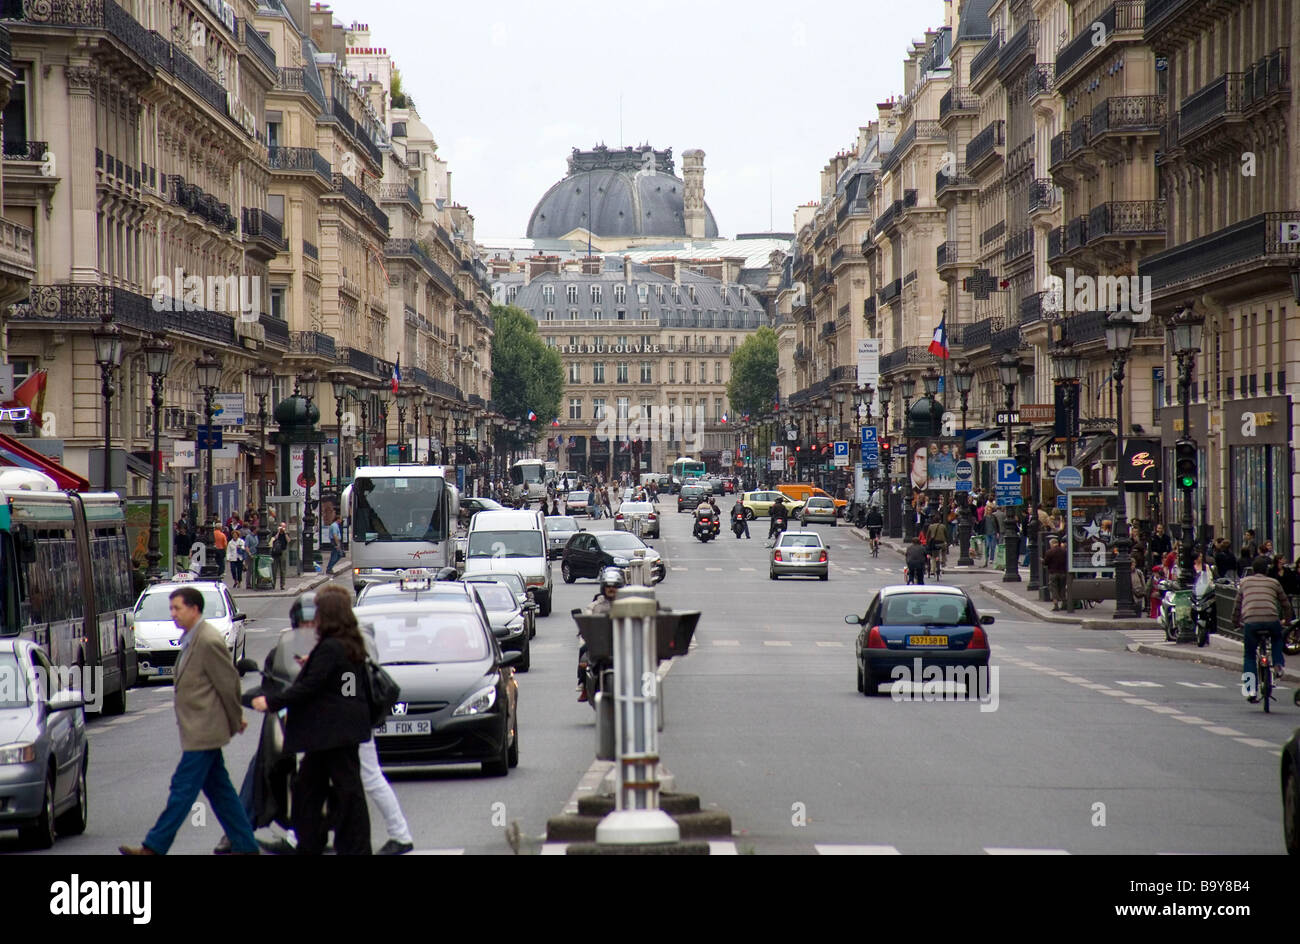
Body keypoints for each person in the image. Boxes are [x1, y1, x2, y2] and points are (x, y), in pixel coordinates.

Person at [120, 586, 258, 855]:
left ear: (195, 609)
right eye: (171, 608)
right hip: (197, 728)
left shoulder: (208, 640)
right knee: (222, 794)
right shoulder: (191, 638)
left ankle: (153, 847)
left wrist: (236, 717)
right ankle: (246, 846)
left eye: (177, 608)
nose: (173, 614)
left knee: (182, 790)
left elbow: (227, 682)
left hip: (204, 730)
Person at [250, 587, 373, 854]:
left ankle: (329, 844)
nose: (313, 618)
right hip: (339, 732)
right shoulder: (347, 642)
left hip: (330, 734)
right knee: (322, 789)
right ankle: (326, 842)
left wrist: (272, 701)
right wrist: (314, 663)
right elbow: (340, 682)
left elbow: (309, 687)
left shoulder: (330, 647)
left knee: (328, 791)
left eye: (318, 612)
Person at [1231, 556, 1292, 702]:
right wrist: (1287, 620)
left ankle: (1250, 689)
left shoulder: (1245, 582)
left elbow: (1237, 605)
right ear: (1267, 570)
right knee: (1277, 638)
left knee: (1249, 655)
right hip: (1271, 620)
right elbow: (1285, 604)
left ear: (1253, 569)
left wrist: (1235, 622)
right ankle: (1278, 664)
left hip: (1251, 622)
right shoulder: (1274, 582)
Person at [577, 567, 623, 702]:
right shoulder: (595, 605)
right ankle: (583, 685)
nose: (611, 589)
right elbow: (587, 616)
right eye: (608, 587)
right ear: (603, 587)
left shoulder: (627, 604)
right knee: (583, 650)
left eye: (614, 587)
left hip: (623, 641)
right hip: (600, 641)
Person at [1044, 536, 1069, 611]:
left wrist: (1042, 561)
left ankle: (1056, 605)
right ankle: (1064, 604)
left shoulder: (1049, 552)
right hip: (1063, 573)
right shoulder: (1064, 551)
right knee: (1062, 588)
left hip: (1053, 573)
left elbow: (1046, 562)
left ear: (1051, 544)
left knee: (1054, 589)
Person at [271, 523, 289, 590]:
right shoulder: (275, 533)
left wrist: (285, 533)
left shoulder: (285, 533)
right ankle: (273, 584)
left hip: (283, 551)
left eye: (283, 527)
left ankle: (282, 585)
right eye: (281, 526)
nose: (282, 528)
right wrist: (278, 532)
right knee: (274, 570)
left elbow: (288, 540)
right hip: (275, 552)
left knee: (282, 570)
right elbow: (274, 539)